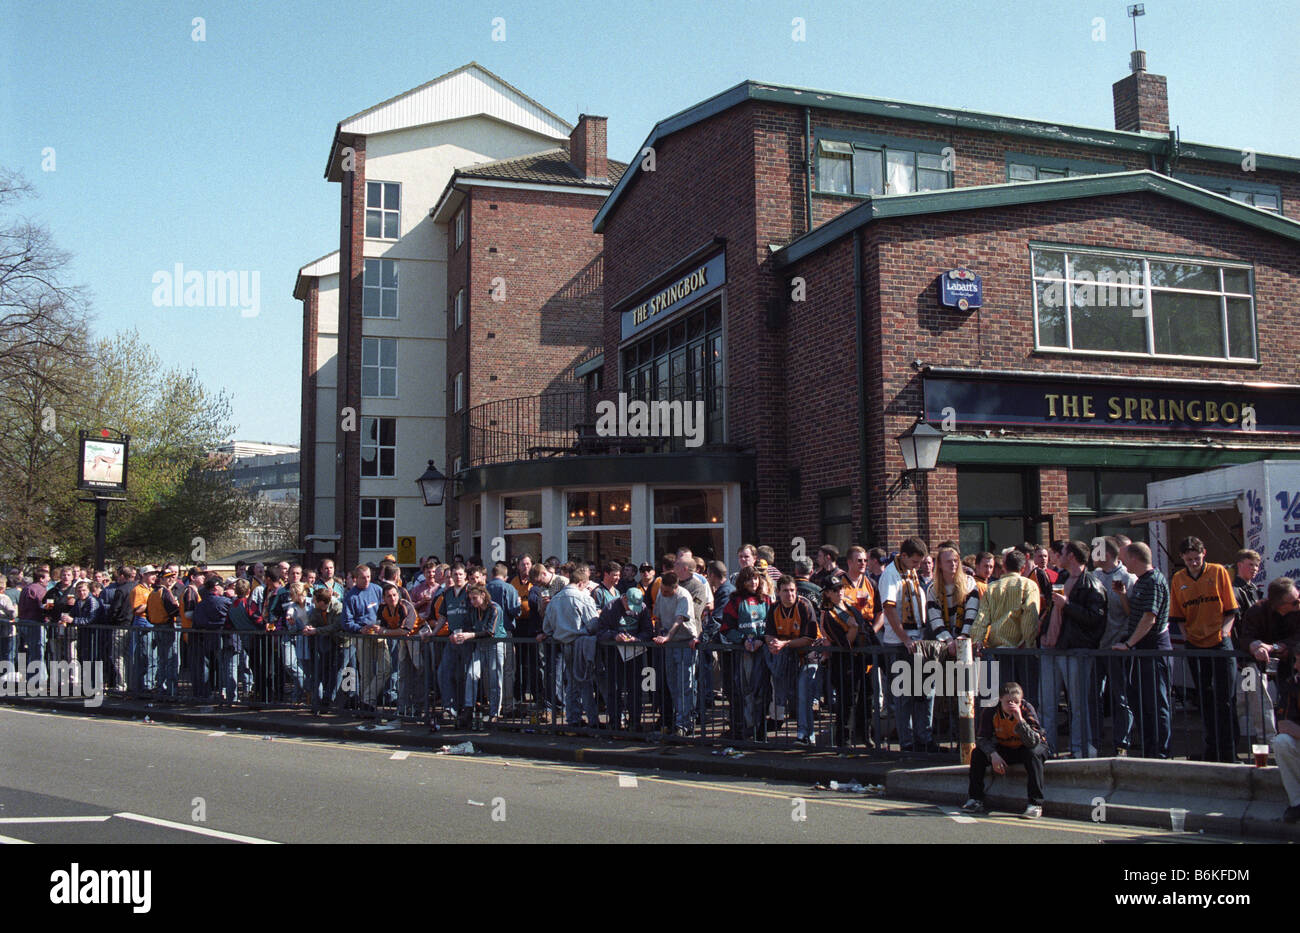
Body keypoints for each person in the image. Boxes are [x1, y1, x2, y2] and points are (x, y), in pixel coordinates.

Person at [1169, 536, 1239, 762]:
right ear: (1182, 558)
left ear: (1204, 554)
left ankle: (1229, 750)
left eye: (1196, 558)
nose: (1193, 563)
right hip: (1196, 644)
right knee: (1204, 698)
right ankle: (1211, 748)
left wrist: (1225, 634)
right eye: (1189, 559)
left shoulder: (1218, 572)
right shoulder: (1178, 579)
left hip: (1219, 642)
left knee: (1225, 698)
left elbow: (1231, 610)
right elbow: (1178, 615)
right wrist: (1188, 636)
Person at [1039, 541, 1107, 758]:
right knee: (1046, 702)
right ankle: (1047, 748)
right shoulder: (1063, 578)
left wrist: (1067, 605)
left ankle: (1080, 748)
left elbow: (1096, 618)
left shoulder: (1091, 584)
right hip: (1055, 647)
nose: (1058, 556)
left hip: (1075, 650)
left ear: (1073, 556)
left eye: (1063, 553)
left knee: (1078, 704)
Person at [1111, 542, 1172, 760]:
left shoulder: (1153, 581)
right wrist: (1123, 596)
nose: (1122, 563)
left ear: (1134, 558)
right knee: (1143, 702)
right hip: (1141, 650)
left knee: (1156, 703)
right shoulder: (1142, 582)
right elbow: (1135, 614)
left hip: (1153, 650)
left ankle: (1160, 752)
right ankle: (1150, 748)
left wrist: (1128, 644)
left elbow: (1149, 617)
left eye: (1124, 558)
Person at [962, 682, 1048, 819]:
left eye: (1016, 702)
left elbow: (1032, 742)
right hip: (1006, 746)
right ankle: (975, 799)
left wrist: (1020, 720)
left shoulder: (1026, 709)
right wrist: (993, 754)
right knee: (977, 754)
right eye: (1008, 701)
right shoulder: (991, 711)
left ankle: (1035, 803)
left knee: (1032, 754)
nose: (1012, 705)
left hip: (1027, 745)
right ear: (1000, 699)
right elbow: (982, 739)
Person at [878, 537, 932, 751]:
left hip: (918, 640)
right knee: (904, 696)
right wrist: (905, 638)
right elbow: (889, 609)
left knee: (923, 692)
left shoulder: (909, 572)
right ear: (905, 556)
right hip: (900, 644)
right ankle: (907, 742)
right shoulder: (891, 574)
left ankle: (923, 737)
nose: (919, 566)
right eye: (916, 562)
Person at [1237, 577, 1300, 747]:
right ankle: (1267, 742)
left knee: (1291, 699)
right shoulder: (1256, 611)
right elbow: (1244, 637)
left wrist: (1276, 647)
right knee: (1251, 699)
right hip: (1255, 665)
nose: (1298, 604)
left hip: (1291, 663)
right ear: (1279, 605)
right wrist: (1255, 646)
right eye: (1294, 602)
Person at [1092, 537, 1137, 755]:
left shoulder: (1127, 577)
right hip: (1098, 644)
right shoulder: (1095, 576)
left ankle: (1123, 742)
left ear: (1107, 555)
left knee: (1120, 696)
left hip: (1118, 644)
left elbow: (1133, 615)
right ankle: (1096, 739)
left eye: (1096, 552)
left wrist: (1124, 597)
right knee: (1095, 694)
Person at [541, 566, 600, 728]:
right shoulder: (583, 598)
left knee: (572, 683)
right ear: (581, 583)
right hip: (581, 643)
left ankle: (573, 718)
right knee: (585, 681)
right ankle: (592, 720)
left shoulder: (555, 599)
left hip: (564, 644)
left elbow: (547, 627)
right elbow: (593, 624)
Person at [719, 566, 773, 740]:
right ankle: (747, 727)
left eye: (756, 578)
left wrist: (762, 639)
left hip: (764, 651)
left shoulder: (766, 600)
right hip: (745, 653)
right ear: (743, 581)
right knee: (746, 690)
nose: (754, 582)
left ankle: (760, 728)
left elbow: (773, 625)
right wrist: (744, 641)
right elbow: (726, 628)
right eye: (750, 579)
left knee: (764, 690)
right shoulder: (734, 602)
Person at [767, 575, 819, 744]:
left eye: (792, 590)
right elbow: (768, 633)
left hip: (807, 657)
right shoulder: (774, 608)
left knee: (804, 695)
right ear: (778, 592)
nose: (789, 594)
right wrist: (773, 643)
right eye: (785, 591)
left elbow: (810, 637)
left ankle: (805, 735)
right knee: (787, 695)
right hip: (786, 659)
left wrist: (785, 643)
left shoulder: (804, 606)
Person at [597, 585, 653, 730]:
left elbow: (648, 630)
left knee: (635, 689)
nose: (632, 609)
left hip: (635, 654)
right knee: (614, 689)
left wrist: (637, 639)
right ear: (624, 599)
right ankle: (615, 721)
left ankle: (635, 722)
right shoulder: (610, 607)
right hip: (614, 654)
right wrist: (614, 636)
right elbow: (600, 631)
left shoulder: (643, 608)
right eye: (630, 605)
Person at [652, 571, 700, 736]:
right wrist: (659, 633)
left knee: (685, 684)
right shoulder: (661, 592)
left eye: (667, 591)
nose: (664, 594)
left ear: (676, 587)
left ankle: (684, 723)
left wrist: (667, 636)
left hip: (684, 641)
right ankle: (676, 719)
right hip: (670, 645)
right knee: (672, 684)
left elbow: (679, 619)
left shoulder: (683, 596)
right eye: (663, 590)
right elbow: (657, 616)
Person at [464, 583, 507, 722]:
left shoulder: (495, 608)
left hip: (495, 644)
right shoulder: (474, 609)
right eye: (470, 598)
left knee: (495, 678)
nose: (472, 601)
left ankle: (495, 712)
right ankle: (469, 707)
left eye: (474, 598)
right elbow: (470, 625)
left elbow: (490, 631)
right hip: (480, 644)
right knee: (471, 673)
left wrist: (470, 635)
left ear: (483, 595)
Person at [190, 576, 234, 702]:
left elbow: (197, 621)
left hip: (203, 638)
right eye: (222, 586)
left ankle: (205, 693)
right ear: (216, 587)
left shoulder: (201, 604)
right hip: (220, 637)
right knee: (222, 666)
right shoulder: (224, 601)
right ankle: (222, 692)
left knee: (205, 666)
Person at [1232, 549, 1264, 614]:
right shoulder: (1233, 589)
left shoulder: (1255, 588)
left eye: (1257, 565)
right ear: (1239, 565)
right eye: (1251, 564)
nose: (1255, 568)